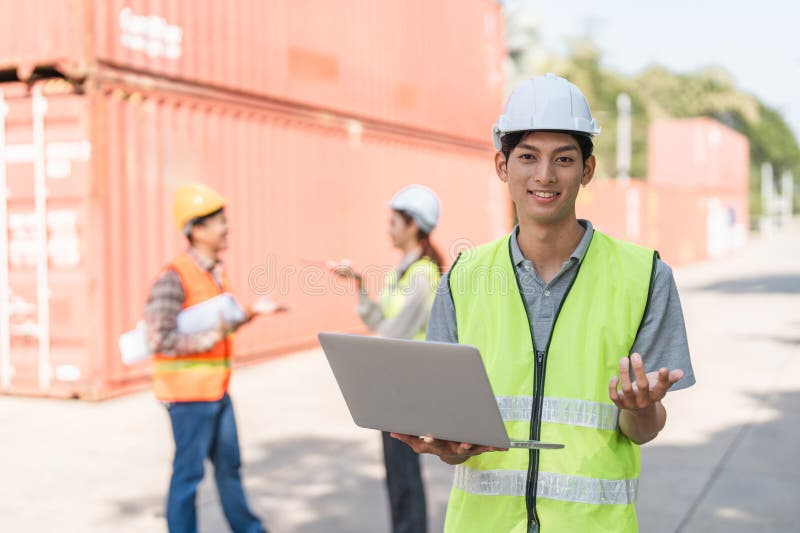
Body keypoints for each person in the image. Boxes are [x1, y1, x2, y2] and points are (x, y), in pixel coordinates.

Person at [391, 74, 696, 532]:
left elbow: (644, 429)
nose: (544, 175)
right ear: (502, 165)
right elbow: (450, 437)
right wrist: (446, 446)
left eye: (564, 159)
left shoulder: (645, 277)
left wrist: (638, 407)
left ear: (587, 170)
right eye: (528, 157)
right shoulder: (462, 277)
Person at [145, 182, 285, 533]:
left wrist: (253, 312)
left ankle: (249, 529)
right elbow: (158, 338)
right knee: (189, 476)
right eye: (220, 221)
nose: (227, 228)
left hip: (217, 391)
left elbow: (224, 323)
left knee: (229, 468)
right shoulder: (173, 277)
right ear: (197, 229)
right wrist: (213, 334)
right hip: (188, 397)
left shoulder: (215, 272)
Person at [331, 184, 443, 533]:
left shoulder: (423, 276)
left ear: (413, 224)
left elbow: (392, 333)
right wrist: (360, 285)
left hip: (407, 391)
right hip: (394, 389)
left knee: (404, 477)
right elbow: (381, 321)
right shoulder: (406, 270)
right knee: (396, 476)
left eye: (394, 220)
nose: (389, 227)